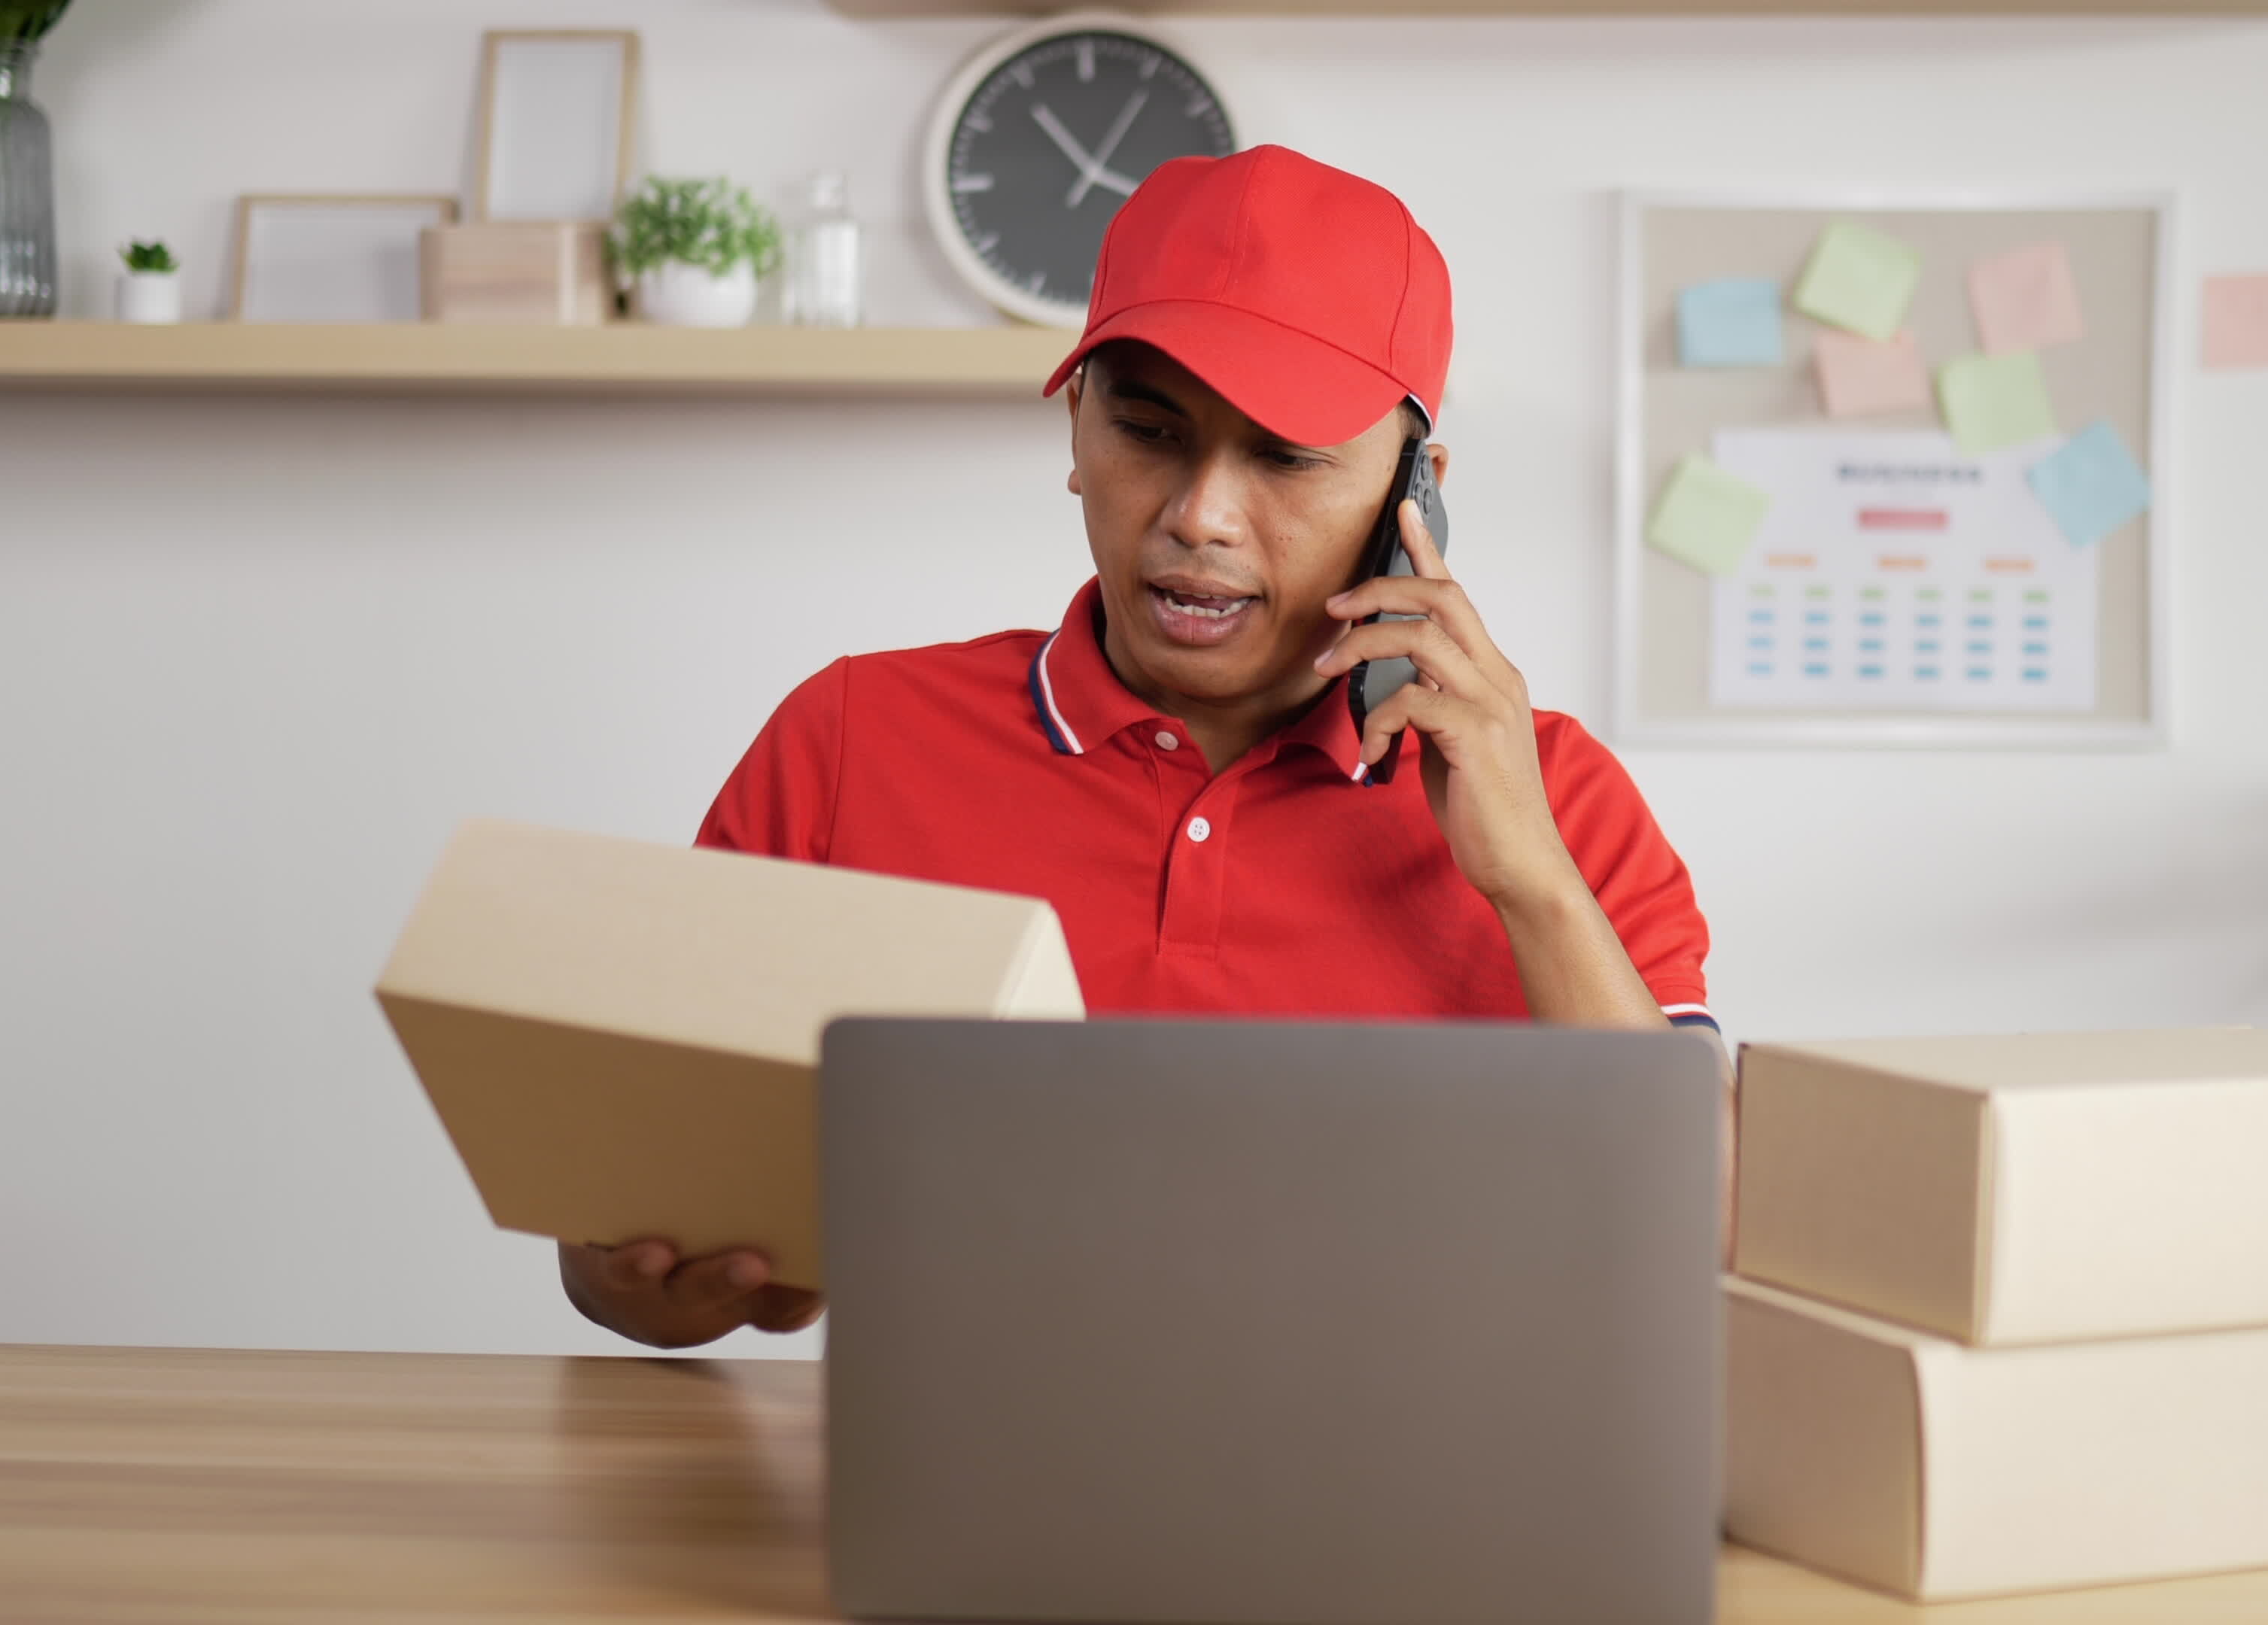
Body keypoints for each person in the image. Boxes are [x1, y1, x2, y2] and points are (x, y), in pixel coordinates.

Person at [563, 145, 1716, 1350]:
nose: (1200, 516)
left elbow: (1708, 1235)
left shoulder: (1552, 797)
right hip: (963, 1493)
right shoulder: (850, 740)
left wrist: (1526, 879)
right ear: (1076, 426)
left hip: (1433, 1499)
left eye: (1285, 457)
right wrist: (654, 1273)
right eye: (1150, 429)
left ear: (1413, 496)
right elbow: (617, 1257)